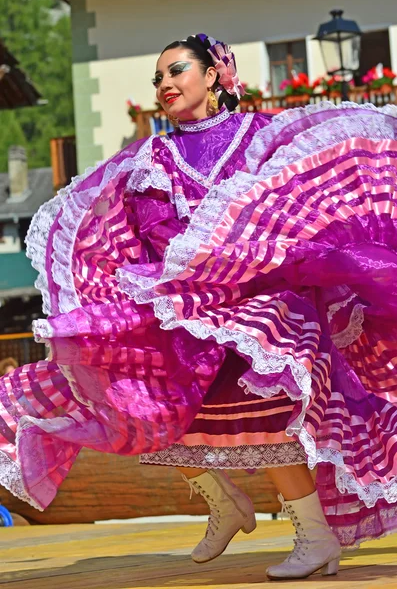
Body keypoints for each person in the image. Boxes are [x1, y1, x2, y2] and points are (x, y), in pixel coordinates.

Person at [0, 33, 396, 582]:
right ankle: (226, 502)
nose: (164, 85)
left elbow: (293, 206)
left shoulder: (262, 135)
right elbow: (152, 230)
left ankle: (316, 536)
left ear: (213, 76)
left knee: (267, 421)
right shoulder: (152, 159)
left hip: (261, 308)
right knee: (147, 406)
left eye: (176, 71)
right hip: (189, 306)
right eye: (157, 78)